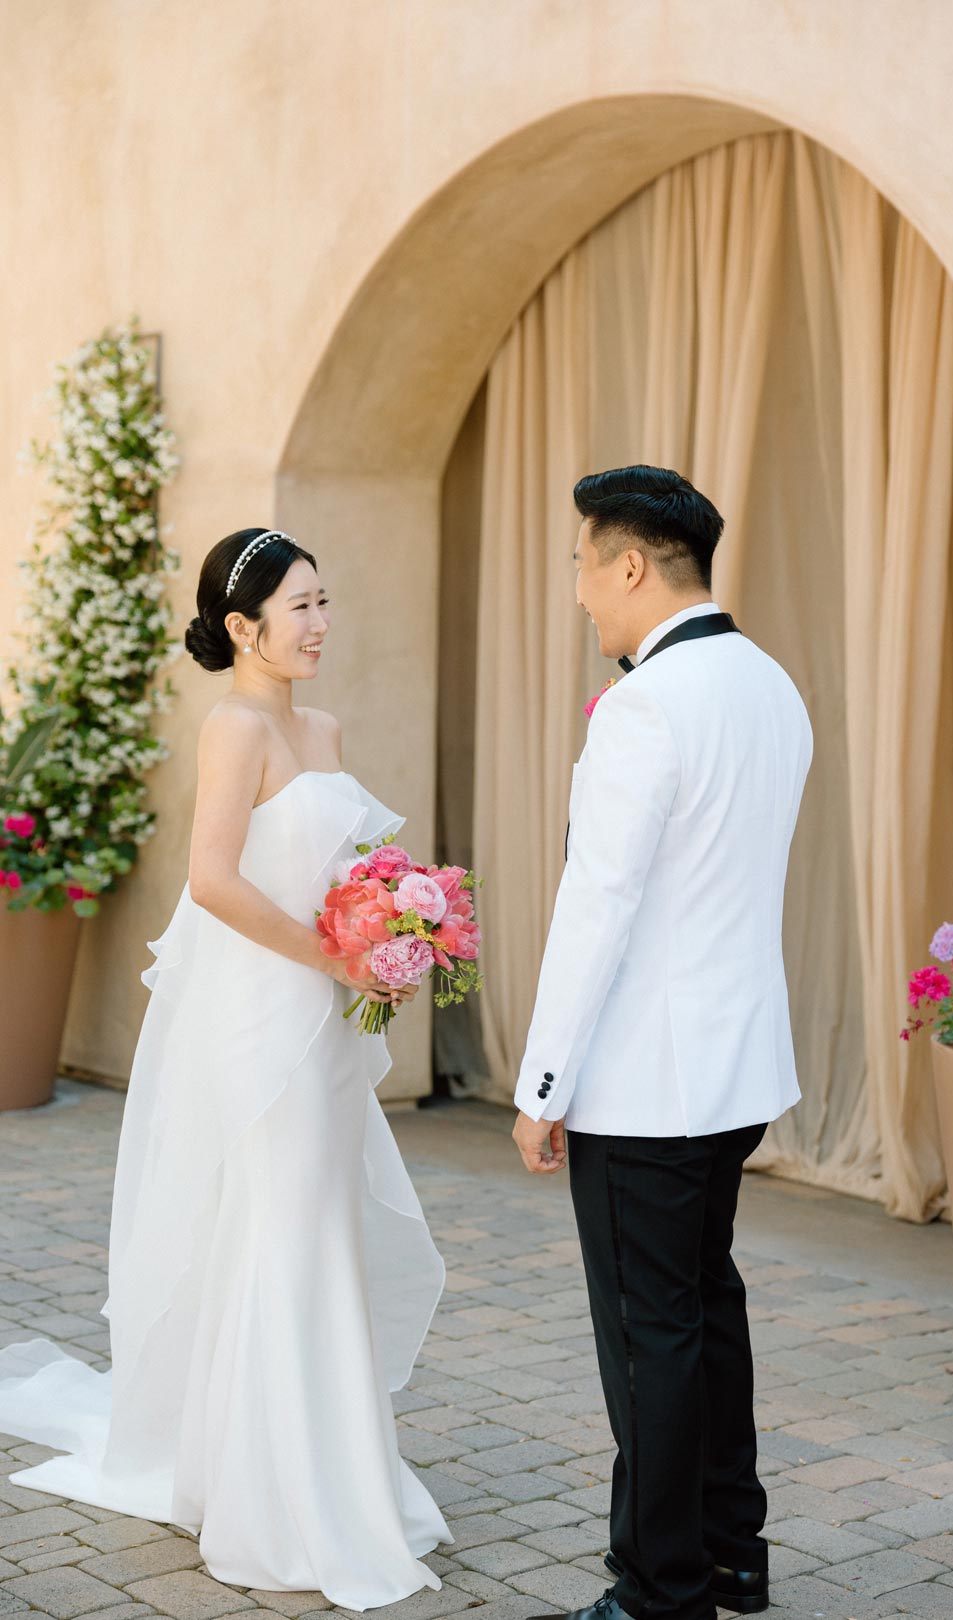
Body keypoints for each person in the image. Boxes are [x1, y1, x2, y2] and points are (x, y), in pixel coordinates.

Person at [0, 527, 450, 1609]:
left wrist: (391, 926)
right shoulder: (234, 726)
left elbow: (338, 869)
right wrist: (334, 950)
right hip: (262, 1015)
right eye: (298, 606)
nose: (320, 623)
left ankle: (335, 1472)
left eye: (325, 601)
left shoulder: (326, 726)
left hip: (329, 1016)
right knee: (280, 1231)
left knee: (315, 1228)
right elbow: (211, 881)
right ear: (241, 627)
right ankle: (275, 1498)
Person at [512, 467, 813, 1620]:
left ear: (631, 566)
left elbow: (601, 909)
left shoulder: (645, 705)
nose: (582, 595)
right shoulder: (769, 683)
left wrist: (543, 1086)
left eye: (586, 568)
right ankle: (732, 1553)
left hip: (647, 1085)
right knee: (703, 1310)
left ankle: (657, 1591)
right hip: (738, 1070)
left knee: (651, 1343)